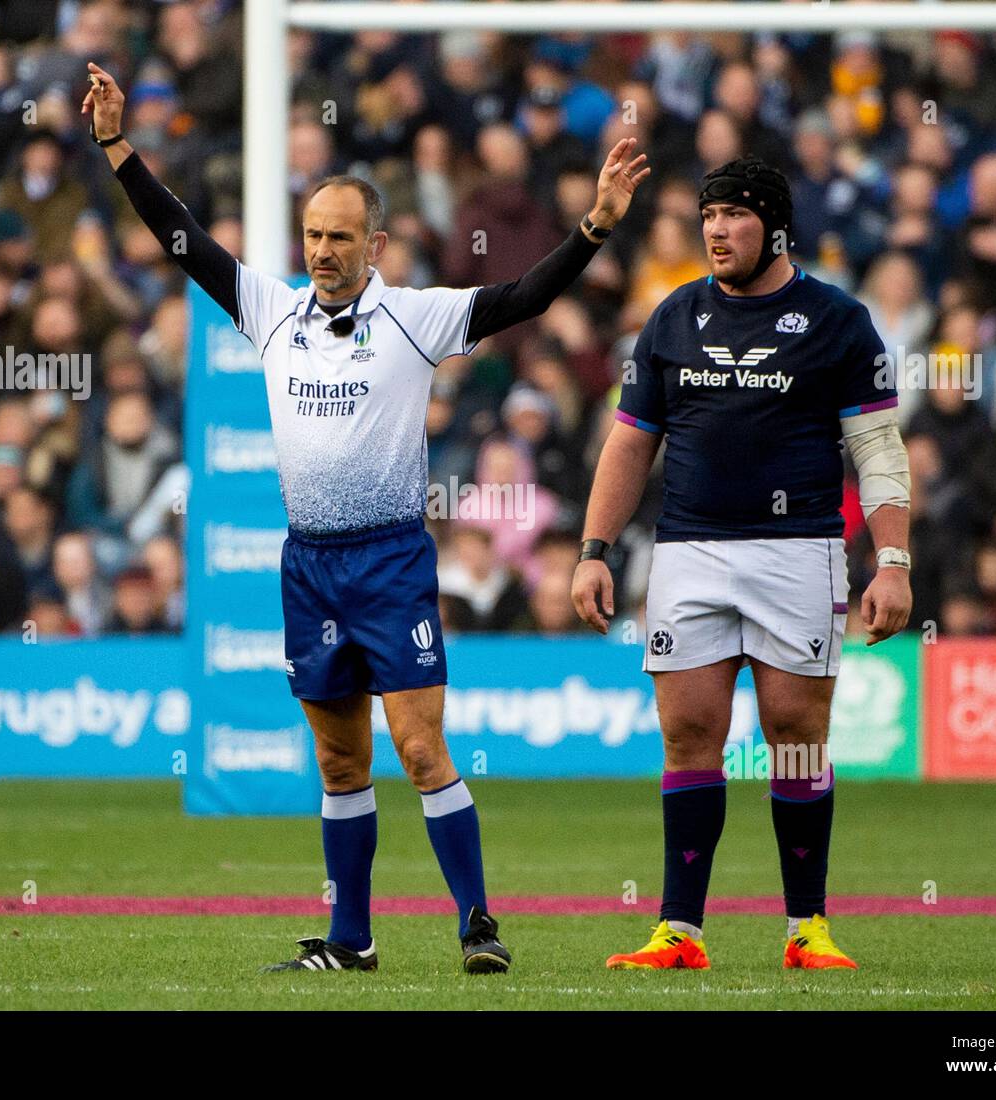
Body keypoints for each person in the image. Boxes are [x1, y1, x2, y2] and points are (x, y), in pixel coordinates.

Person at [83, 61, 650, 974]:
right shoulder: (271, 310)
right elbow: (183, 240)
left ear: (375, 245)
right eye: (312, 235)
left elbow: (525, 298)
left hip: (389, 562)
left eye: (340, 238)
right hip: (309, 565)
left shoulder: (417, 317)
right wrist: (117, 148)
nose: (321, 251)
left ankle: (478, 925)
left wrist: (592, 227)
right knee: (341, 767)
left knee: (421, 748)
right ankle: (352, 941)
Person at [572, 156, 912, 973]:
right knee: (689, 734)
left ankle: (808, 928)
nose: (717, 230)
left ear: (776, 227)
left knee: (796, 734)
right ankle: (679, 933)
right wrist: (593, 549)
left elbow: (876, 447)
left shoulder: (837, 319)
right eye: (708, 215)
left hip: (798, 553)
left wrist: (893, 560)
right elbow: (630, 443)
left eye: (735, 215)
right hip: (686, 550)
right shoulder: (674, 317)